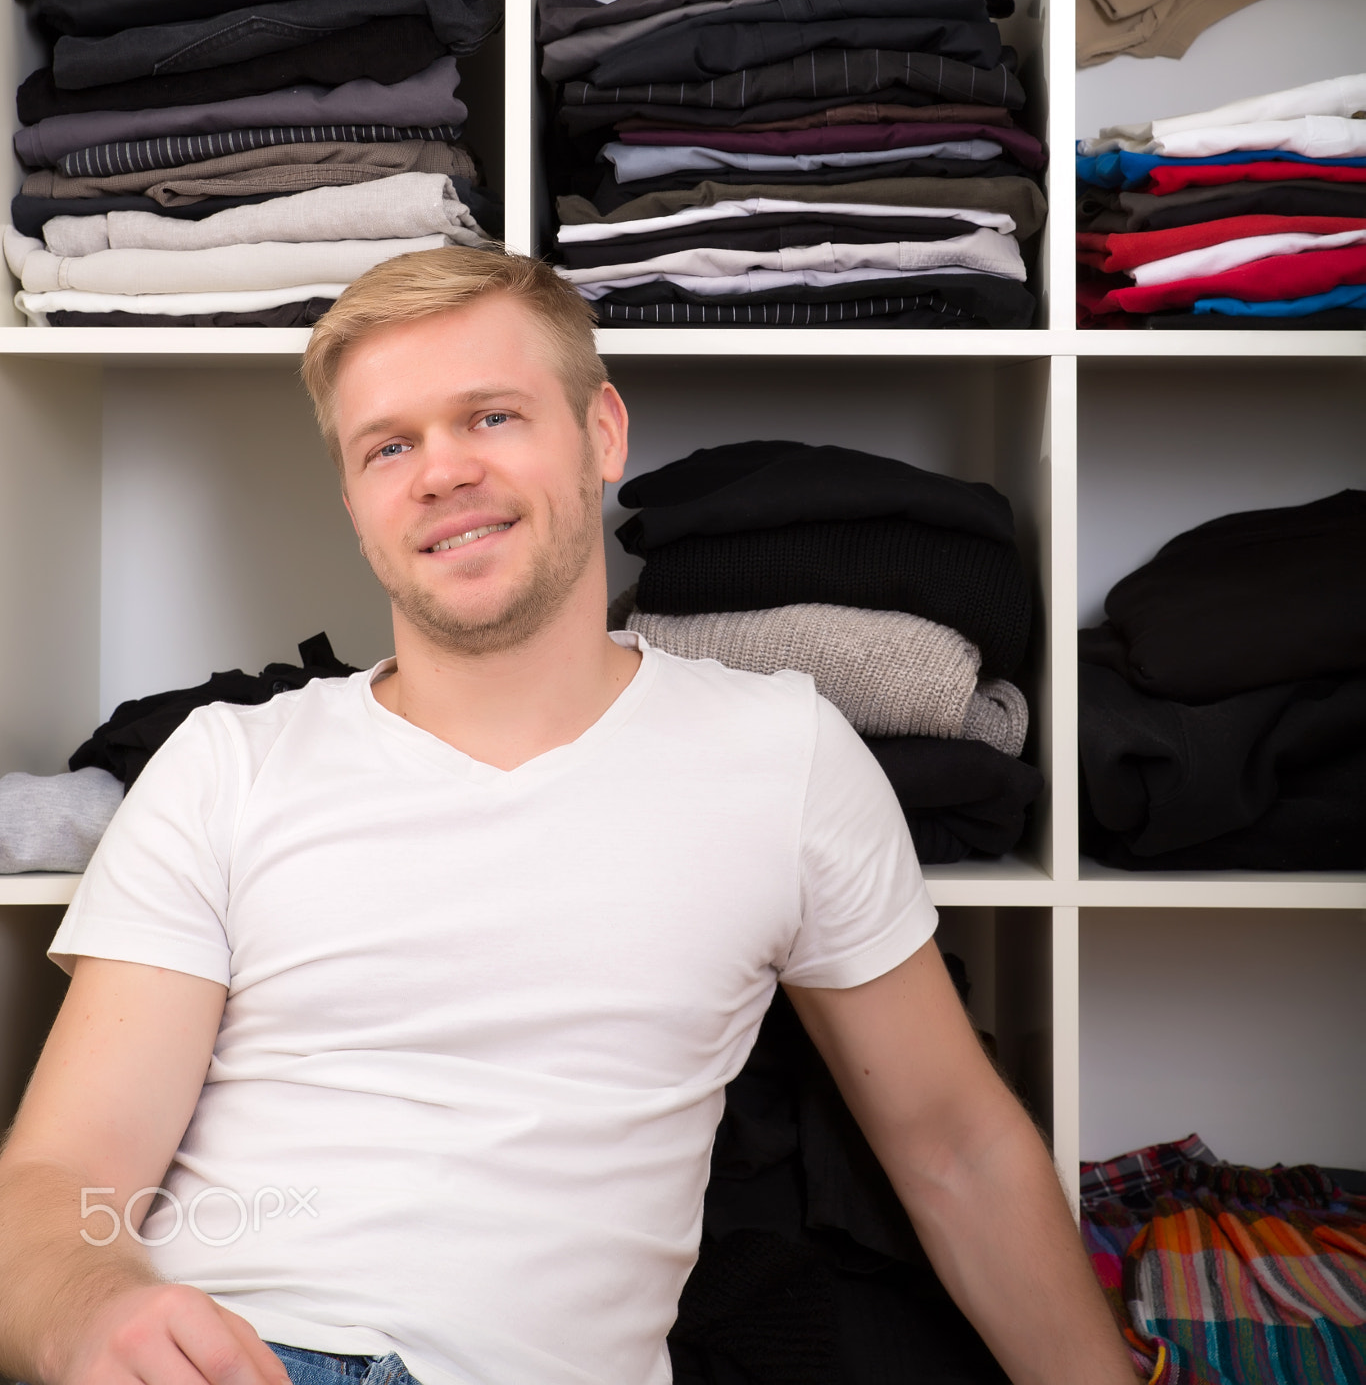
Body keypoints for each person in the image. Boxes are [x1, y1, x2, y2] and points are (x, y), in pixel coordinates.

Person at [0, 247, 1134, 1385]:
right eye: (388, 444)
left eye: (489, 415)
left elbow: (956, 1144)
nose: (439, 471)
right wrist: (88, 1307)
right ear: (355, 504)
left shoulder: (782, 755)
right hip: (231, 1349)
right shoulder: (226, 763)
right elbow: (62, 1176)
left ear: (601, 432)